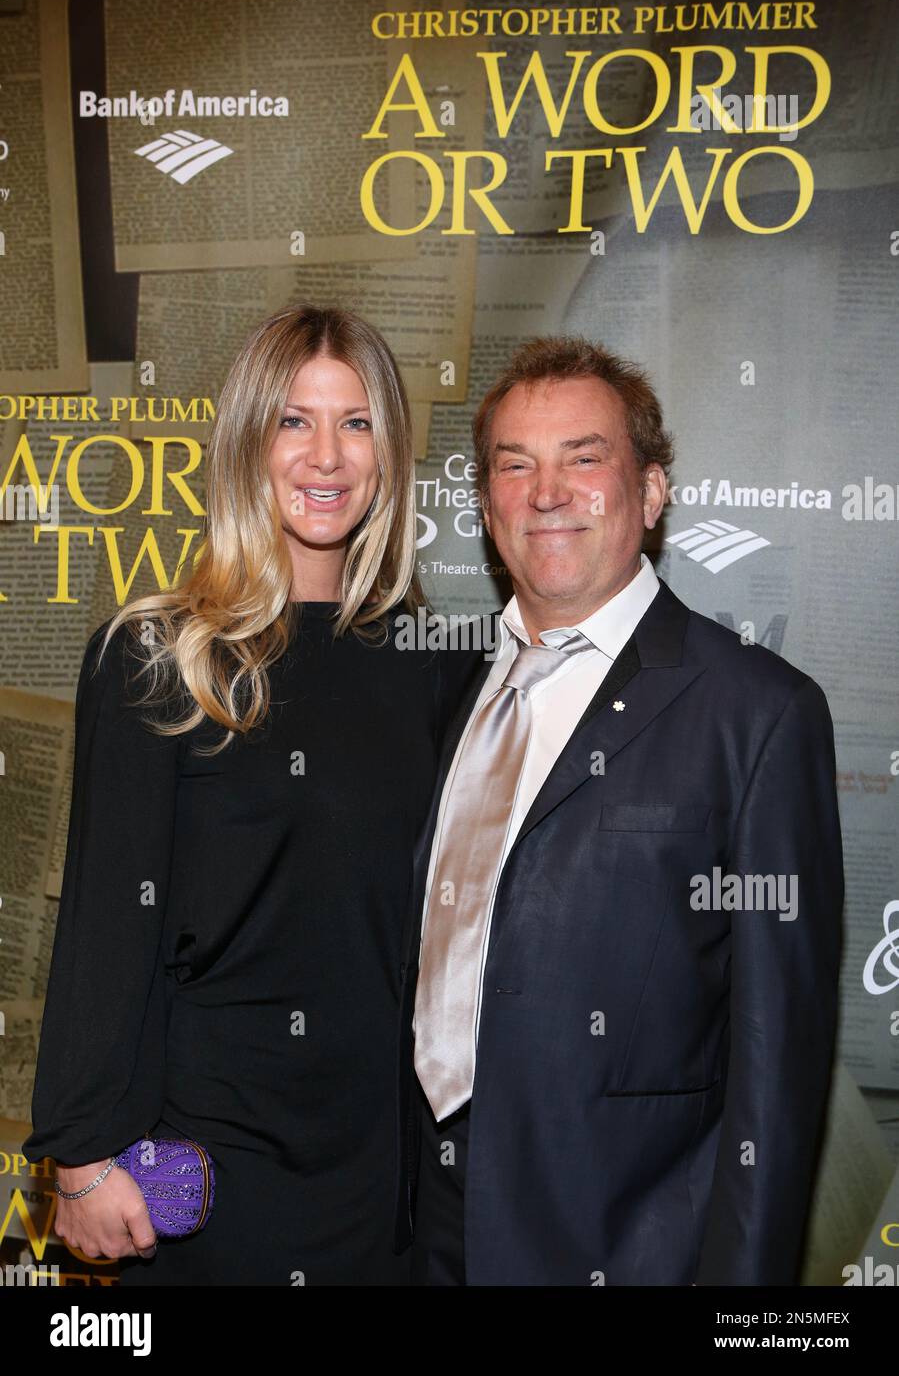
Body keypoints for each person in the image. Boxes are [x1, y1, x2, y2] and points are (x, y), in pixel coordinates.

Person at [22, 303, 479, 1285]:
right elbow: (107, 925)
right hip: (212, 1163)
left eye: (355, 422)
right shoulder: (158, 655)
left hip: (378, 1166)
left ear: (390, 450)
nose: (326, 456)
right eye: (292, 420)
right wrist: (84, 1152)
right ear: (245, 442)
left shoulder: (434, 665)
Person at [395, 334, 844, 1286]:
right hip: (418, 1227)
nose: (546, 492)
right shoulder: (443, 690)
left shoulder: (758, 716)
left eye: (583, 459)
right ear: (483, 505)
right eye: (515, 465)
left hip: (627, 1243)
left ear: (649, 492)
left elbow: (775, 1062)